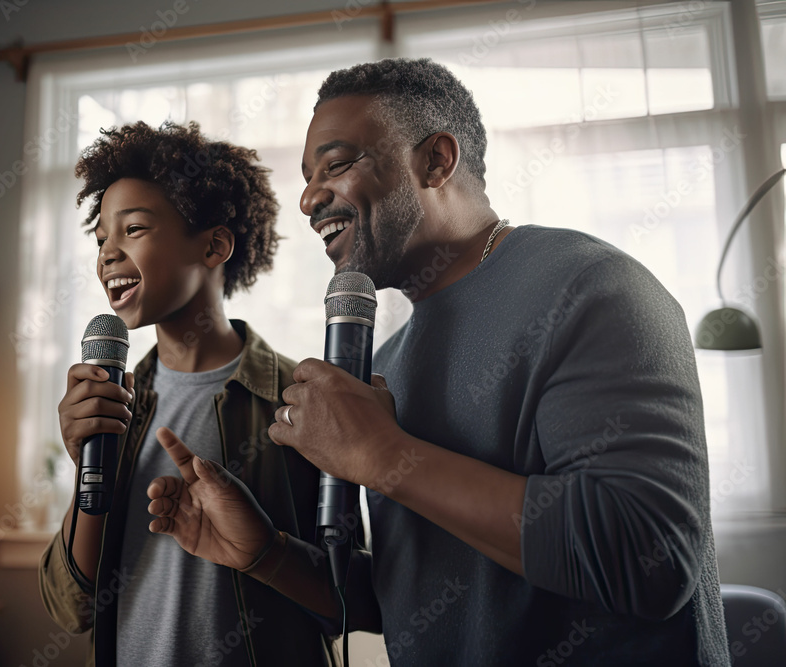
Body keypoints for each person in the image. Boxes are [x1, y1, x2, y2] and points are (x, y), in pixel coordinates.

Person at [145, 59, 732, 665]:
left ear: (436, 160)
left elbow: (649, 559)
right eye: (306, 176)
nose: (308, 197)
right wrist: (265, 553)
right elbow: (420, 597)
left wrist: (383, 456)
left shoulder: (591, 289)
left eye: (337, 164)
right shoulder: (390, 363)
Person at [38, 121, 339, 666]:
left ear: (214, 245)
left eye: (133, 229)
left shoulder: (301, 399)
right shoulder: (110, 404)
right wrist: (88, 465)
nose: (107, 253)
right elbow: (71, 608)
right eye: (101, 237)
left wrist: (264, 550)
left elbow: (347, 604)